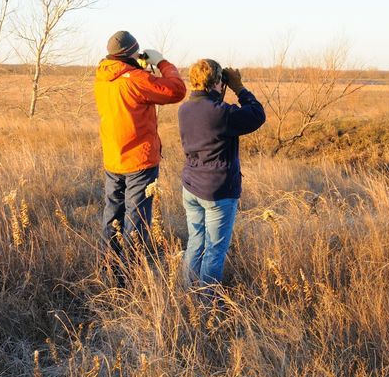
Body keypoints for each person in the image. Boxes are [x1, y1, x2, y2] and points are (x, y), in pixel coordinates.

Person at [94, 30, 186, 280]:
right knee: (136, 220)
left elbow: (132, 88)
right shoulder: (135, 79)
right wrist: (161, 63)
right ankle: (128, 278)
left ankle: (108, 272)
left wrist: (140, 68)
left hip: (114, 158)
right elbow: (176, 90)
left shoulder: (103, 76)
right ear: (130, 54)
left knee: (112, 215)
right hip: (139, 160)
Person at [178, 59, 265, 295]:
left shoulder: (184, 109)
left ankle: (188, 295)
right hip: (218, 191)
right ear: (217, 82)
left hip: (191, 186)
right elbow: (257, 115)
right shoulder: (221, 113)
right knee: (214, 252)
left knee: (195, 243)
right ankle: (206, 308)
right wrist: (239, 88)